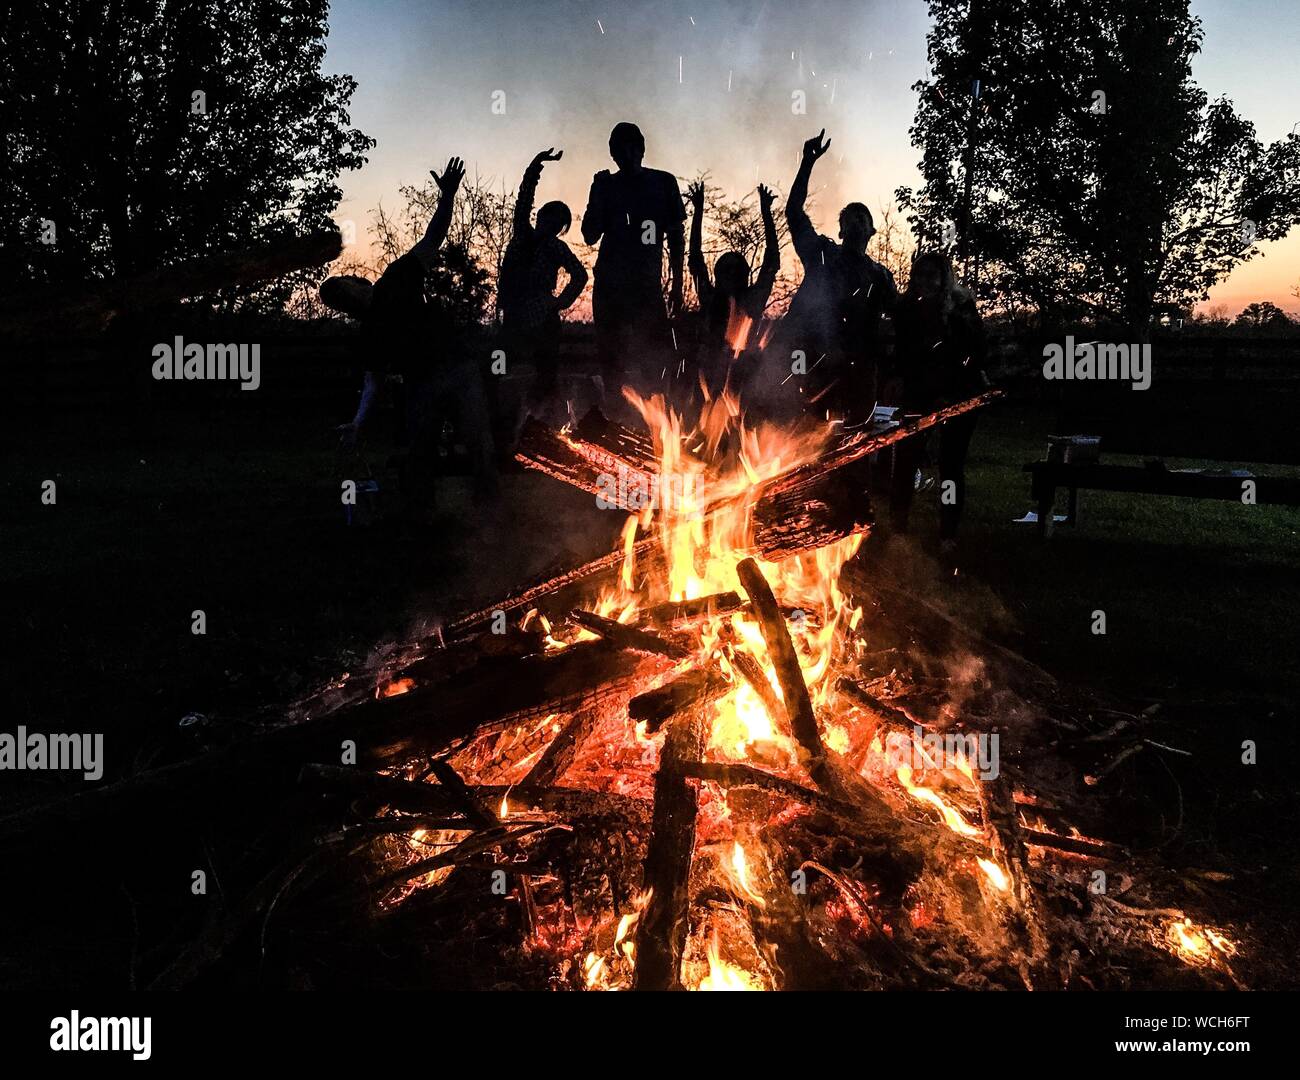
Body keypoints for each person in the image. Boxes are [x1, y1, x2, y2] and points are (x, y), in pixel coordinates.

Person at [320, 156, 497, 514]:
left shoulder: (397, 277)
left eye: (342, 288)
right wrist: (357, 423)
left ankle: (489, 512)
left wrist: (447, 197)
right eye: (339, 301)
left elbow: (434, 237)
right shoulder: (370, 334)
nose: (345, 298)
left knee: (478, 438)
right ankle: (422, 517)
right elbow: (373, 381)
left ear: (358, 281)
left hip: (457, 367)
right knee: (418, 446)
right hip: (422, 384)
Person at [783, 129, 896, 424]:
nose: (856, 221)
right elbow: (794, 213)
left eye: (863, 217)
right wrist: (807, 163)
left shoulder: (880, 276)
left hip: (859, 370)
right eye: (849, 218)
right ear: (841, 231)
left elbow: (894, 324)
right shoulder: (822, 254)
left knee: (856, 439)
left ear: (872, 231)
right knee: (812, 438)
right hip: (816, 364)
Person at [887, 251, 989, 547]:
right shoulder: (907, 309)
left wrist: (952, 392)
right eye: (920, 275)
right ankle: (898, 526)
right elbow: (904, 353)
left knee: (950, 465)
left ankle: (947, 532)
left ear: (944, 278)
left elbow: (976, 351)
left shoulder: (961, 308)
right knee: (906, 458)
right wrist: (900, 379)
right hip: (919, 393)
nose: (925, 281)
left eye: (932, 275)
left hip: (960, 394)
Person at [581, 122, 685, 392]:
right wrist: (597, 194)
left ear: (640, 149)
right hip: (609, 286)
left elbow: (676, 236)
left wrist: (677, 284)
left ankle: (657, 424)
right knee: (611, 360)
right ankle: (615, 420)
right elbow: (590, 234)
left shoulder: (663, 182)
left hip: (645, 285)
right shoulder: (606, 186)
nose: (621, 155)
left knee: (655, 359)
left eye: (627, 148)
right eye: (616, 150)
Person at [498, 148, 588, 416]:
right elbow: (524, 198)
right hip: (514, 314)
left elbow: (580, 275)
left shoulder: (556, 248)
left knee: (545, 373)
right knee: (500, 366)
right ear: (540, 217)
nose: (550, 223)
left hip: (542, 318)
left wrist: (560, 302)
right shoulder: (523, 234)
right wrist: (536, 165)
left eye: (558, 221)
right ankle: (504, 418)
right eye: (548, 216)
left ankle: (543, 420)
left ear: (560, 226)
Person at [686, 179, 779, 394]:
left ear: (745, 275)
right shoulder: (711, 299)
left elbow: (771, 263)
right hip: (710, 379)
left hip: (745, 381)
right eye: (726, 270)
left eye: (736, 271)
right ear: (718, 275)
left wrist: (767, 213)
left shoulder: (752, 300)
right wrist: (697, 210)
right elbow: (696, 260)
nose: (731, 275)